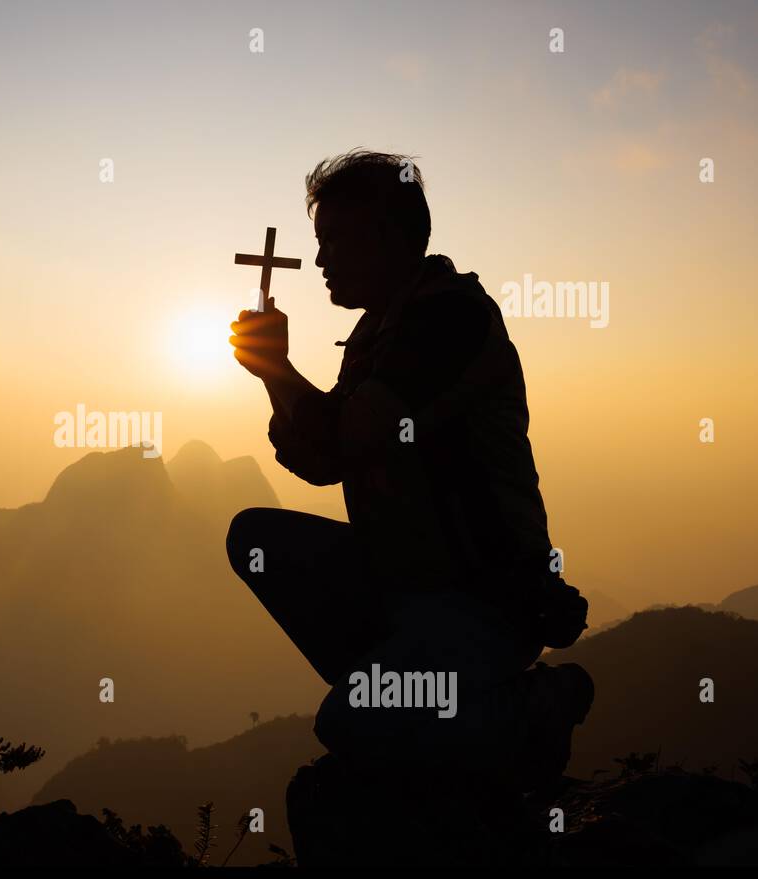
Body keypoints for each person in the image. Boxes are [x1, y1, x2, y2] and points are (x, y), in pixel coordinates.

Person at [226, 150, 593, 803]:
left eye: (334, 240)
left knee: (346, 722)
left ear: (390, 236)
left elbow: (350, 436)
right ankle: (408, 692)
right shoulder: (378, 334)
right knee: (254, 539)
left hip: (480, 596)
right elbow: (322, 462)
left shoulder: (447, 320)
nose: (319, 260)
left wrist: (279, 369)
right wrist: (270, 375)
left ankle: (532, 704)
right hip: (401, 580)